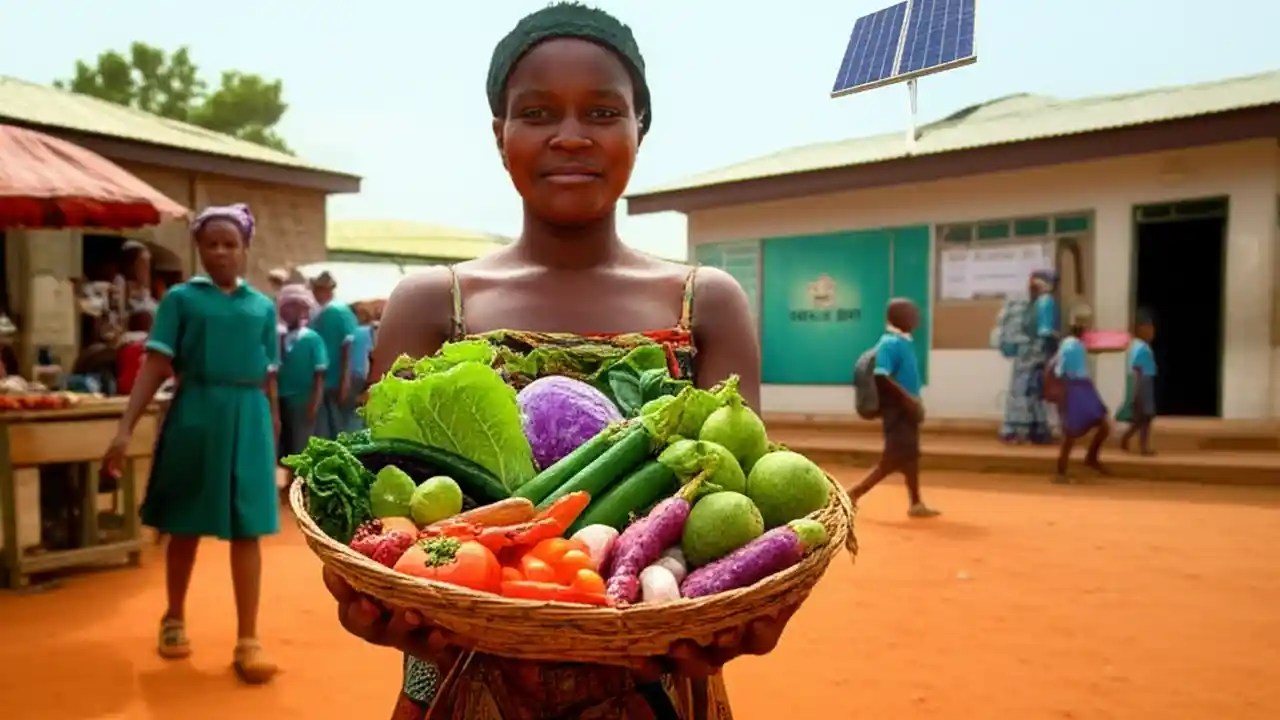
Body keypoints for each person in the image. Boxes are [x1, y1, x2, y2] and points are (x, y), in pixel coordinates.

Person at [323, 5, 793, 717]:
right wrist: (370, 593)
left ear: (641, 128)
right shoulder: (429, 303)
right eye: (538, 112)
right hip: (459, 678)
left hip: (660, 678)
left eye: (603, 112)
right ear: (499, 134)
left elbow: (744, 500)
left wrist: (752, 604)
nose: (570, 136)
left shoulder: (709, 303)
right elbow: (385, 510)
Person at [102, 203, 281, 684]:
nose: (221, 252)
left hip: (250, 418)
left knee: (249, 527)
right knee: (185, 521)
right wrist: (124, 427)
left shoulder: (263, 308)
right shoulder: (181, 300)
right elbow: (156, 366)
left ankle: (249, 639)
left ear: (245, 249)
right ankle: (174, 617)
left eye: (230, 244)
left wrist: (277, 439)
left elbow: (268, 380)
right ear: (199, 249)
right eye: (211, 244)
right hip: (196, 413)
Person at [847, 299, 940, 518]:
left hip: (905, 411)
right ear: (896, 317)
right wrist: (908, 399)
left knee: (911, 458)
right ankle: (853, 494)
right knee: (892, 460)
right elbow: (881, 375)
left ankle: (916, 503)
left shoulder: (903, 342)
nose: (916, 317)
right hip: (898, 412)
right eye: (911, 313)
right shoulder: (890, 344)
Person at [276, 284, 328, 489]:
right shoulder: (279, 338)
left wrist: (314, 403)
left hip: (302, 400)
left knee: (300, 443)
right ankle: (286, 482)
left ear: (304, 310)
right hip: (280, 399)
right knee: (284, 444)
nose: (287, 312)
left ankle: (297, 486)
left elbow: (319, 374)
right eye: (285, 307)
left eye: (293, 307)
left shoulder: (312, 339)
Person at [1051, 305, 1111, 483]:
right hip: (1075, 388)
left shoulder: (1077, 344)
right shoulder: (1069, 345)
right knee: (1071, 432)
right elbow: (1060, 371)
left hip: (1084, 387)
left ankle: (1090, 458)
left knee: (1102, 424)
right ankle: (1061, 471)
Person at [998, 271, 1058, 445]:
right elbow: (1044, 330)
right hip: (1037, 353)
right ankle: (1035, 430)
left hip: (1023, 354)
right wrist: (1059, 338)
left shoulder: (1030, 304)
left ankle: (1014, 430)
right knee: (1034, 391)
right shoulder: (1046, 301)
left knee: (1021, 390)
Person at [309, 271, 362, 438]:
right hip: (332, 378)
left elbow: (348, 346)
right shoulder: (336, 311)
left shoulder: (334, 312)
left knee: (338, 426)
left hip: (336, 378)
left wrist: (344, 381)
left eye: (318, 289)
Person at [1117, 311, 1158, 455]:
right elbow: (1137, 370)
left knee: (1142, 418)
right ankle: (1143, 446)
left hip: (1144, 382)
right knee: (1145, 417)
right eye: (1149, 328)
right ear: (1141, 329)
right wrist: (1135, 393)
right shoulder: (1140, 347)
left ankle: (1126, 439)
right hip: (1142, 384)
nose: (1152, 331)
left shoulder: (1139, 345)